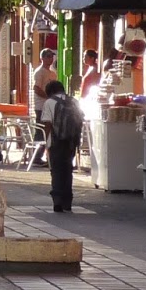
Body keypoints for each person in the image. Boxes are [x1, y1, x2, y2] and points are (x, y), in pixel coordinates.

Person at [40, 79, 83, 213]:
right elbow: (79, 120)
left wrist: (46, 143)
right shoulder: (74, 101)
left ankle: (57, 200)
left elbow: (47, 124)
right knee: (67, 169)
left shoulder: (49, 102)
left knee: (56, 170)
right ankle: (67, 201)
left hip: (56, 141)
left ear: (50, 91)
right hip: (71, 141)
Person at [31, 48, 58, 122]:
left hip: (50, 106)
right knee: (41, 128)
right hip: (41, 106)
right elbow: (36, 88)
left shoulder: (53, 73)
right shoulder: (39, 72)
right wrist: (48, 96)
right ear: (42, 58)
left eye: (52, 56)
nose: (51, 59)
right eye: (48, 56)